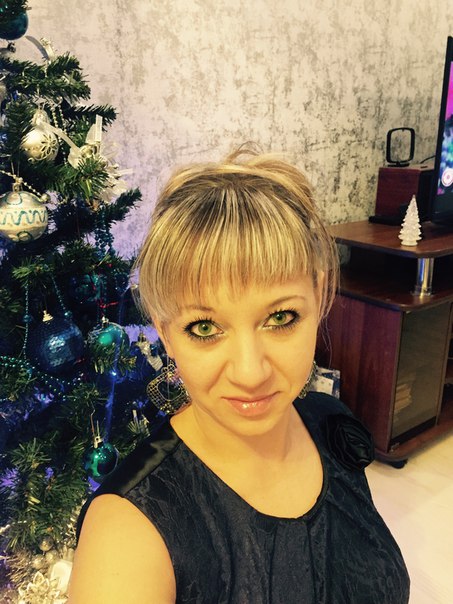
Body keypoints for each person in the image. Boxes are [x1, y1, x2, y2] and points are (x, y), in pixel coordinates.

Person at [68, 148, 410, 603]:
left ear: (320, 298)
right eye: (204, 328)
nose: (251, 373)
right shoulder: (127, 532)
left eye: (281, 317)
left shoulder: (332, 423)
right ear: (166, 334)